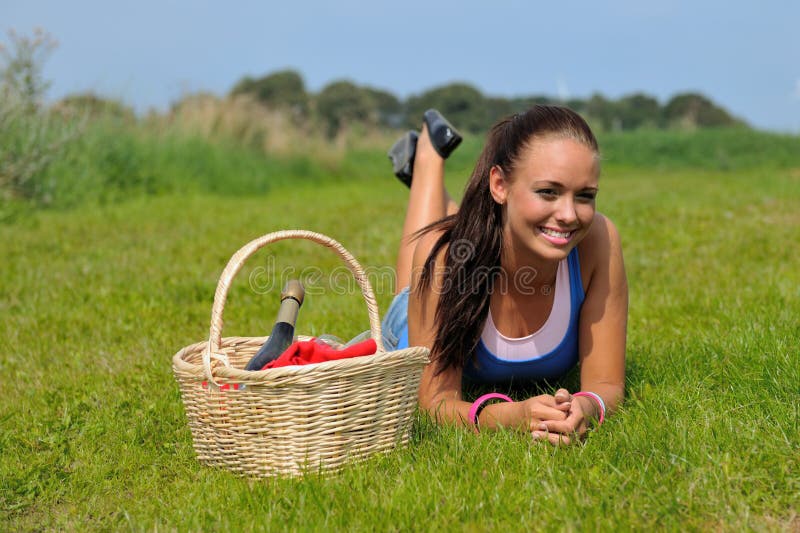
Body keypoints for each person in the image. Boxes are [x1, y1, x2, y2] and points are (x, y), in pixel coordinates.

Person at [380, 105, 628, 445]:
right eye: (548, 192)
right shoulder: (445, 258)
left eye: (585, 196)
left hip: (490, 234)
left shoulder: (598, 240)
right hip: (415, 314)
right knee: (432, 248)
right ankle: (427, 159)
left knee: (470, 232)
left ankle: (458, 204)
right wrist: (510, 416)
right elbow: (434, 403)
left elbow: (607, 385)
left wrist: (584, 408)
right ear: (499, 184)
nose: (569, 214)